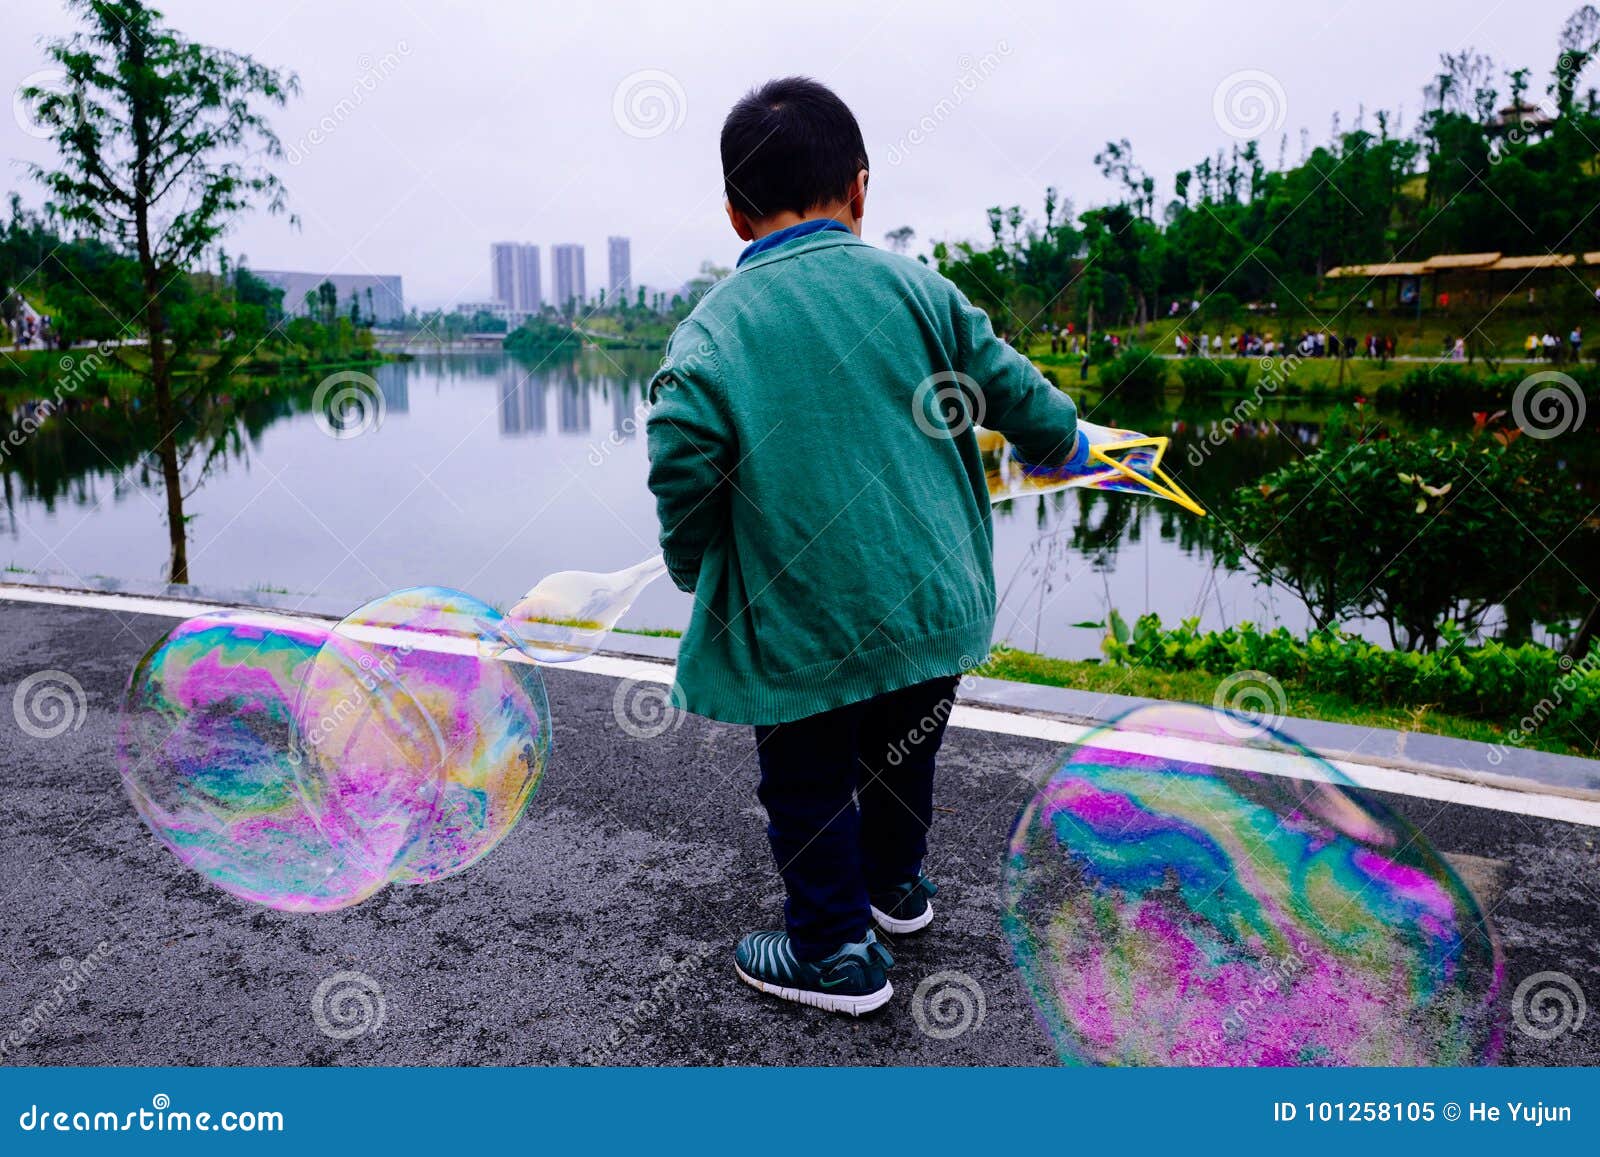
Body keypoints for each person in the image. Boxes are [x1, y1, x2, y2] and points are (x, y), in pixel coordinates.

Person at [646, 77, 1080, 1017]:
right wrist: (1063, 442)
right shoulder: (920, 289)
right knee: (902, 750)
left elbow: (681, 461)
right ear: (860, 187)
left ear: (733, 212)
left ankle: (836, 950)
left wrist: (693, 563)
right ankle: (896, 888)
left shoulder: (713, 330)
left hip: (805, 613)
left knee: (805, 780)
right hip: (929, 597)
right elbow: (1016, 393)